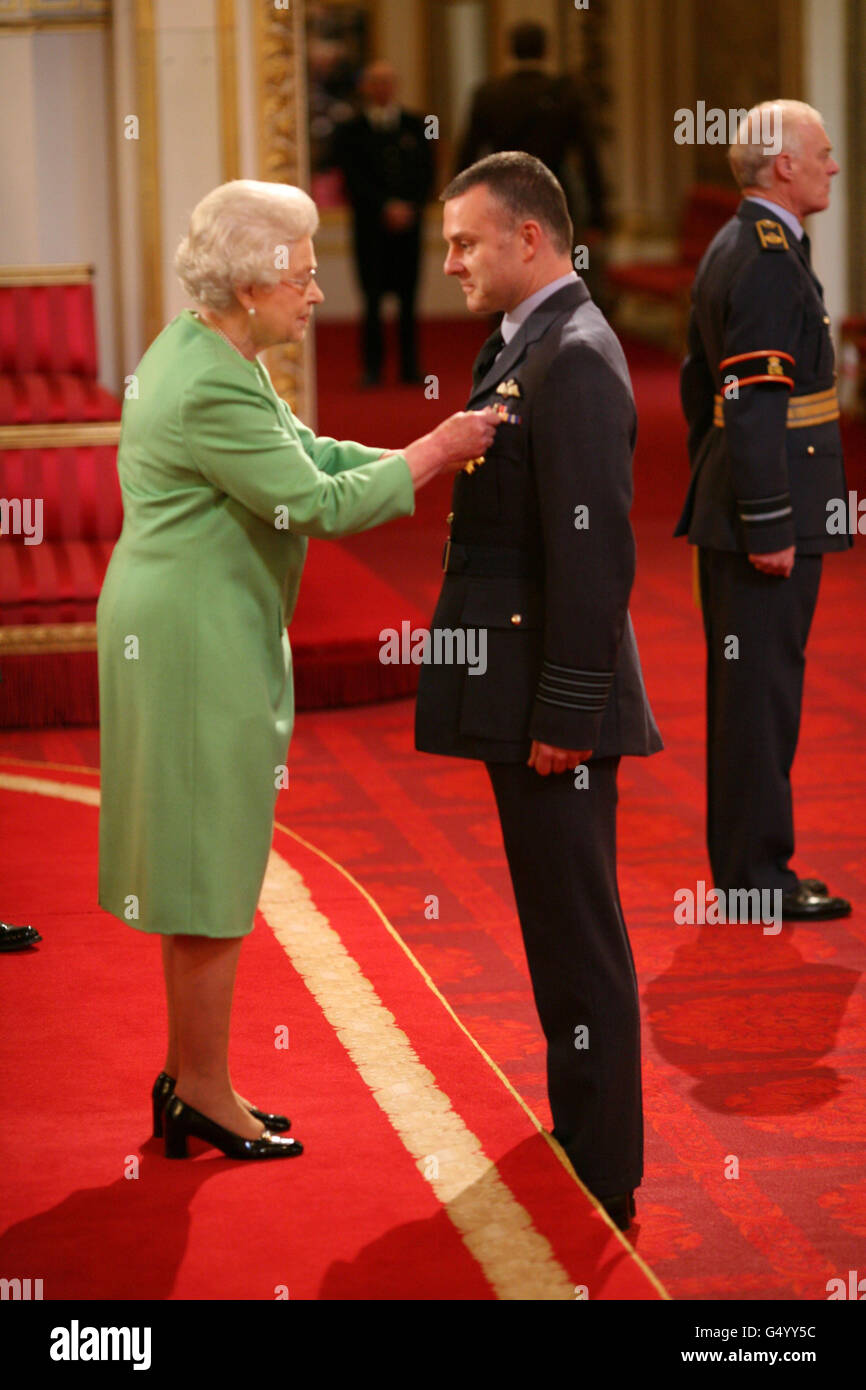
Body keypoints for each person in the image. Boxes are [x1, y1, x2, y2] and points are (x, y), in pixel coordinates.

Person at [97, 179, 500, 1162]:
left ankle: (191, 1077)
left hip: (197, 619)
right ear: (248, 284)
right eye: (304, 276)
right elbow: (310, 502)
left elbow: (306, 452)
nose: (317, 293)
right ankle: (199, 1087)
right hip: (193, 636)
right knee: (209, 868)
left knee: (203, 861)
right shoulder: (208, 377)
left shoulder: (213, 351)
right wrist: (437, 450)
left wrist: (405, 453)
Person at [415, 152, 662, 1231]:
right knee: (553, 928)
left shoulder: (574, 356)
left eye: (466, 242)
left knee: (578, 934)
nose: (451, 261)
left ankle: (604, 1168)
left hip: (557, 704)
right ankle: (578, 1132)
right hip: (523, 692)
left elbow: (595, 555)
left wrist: (564, 711)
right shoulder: (524, 341)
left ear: (528, 238)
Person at [675, 100, 852, 921]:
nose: (834, 166)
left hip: (742, 502)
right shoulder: (770, 257)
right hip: (767, 515)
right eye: (822, 153)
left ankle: (750, 871)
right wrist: (771, 519)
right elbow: (749, 402)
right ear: (784, 165)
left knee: (753, 693)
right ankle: (756, 882)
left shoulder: (739, 242)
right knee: (760, 698)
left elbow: (694, 384)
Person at [454, 22, 607, 294]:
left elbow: (467, 157)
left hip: (502, 199)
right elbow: (589, 157)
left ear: (510, 50)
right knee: (555, 282)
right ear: (545, 50)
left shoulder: (489, 94)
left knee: (502, 281)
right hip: (554, 197)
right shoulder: (566, 93)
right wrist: (597, 216)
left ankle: (508, 335)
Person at [332, 61, 434, 386]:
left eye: (387, 82)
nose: (381, 88)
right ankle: (372, 369)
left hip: (409, 226)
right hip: (369, 227)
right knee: (371, 298)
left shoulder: (417, 125)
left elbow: (427, 172)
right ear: (365, 87)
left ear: (396, 85)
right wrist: (384, 206)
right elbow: (350, 178)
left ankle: (409, 367)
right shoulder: (350, 130)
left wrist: (409, 207)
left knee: (409, 297)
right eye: (375, 82)